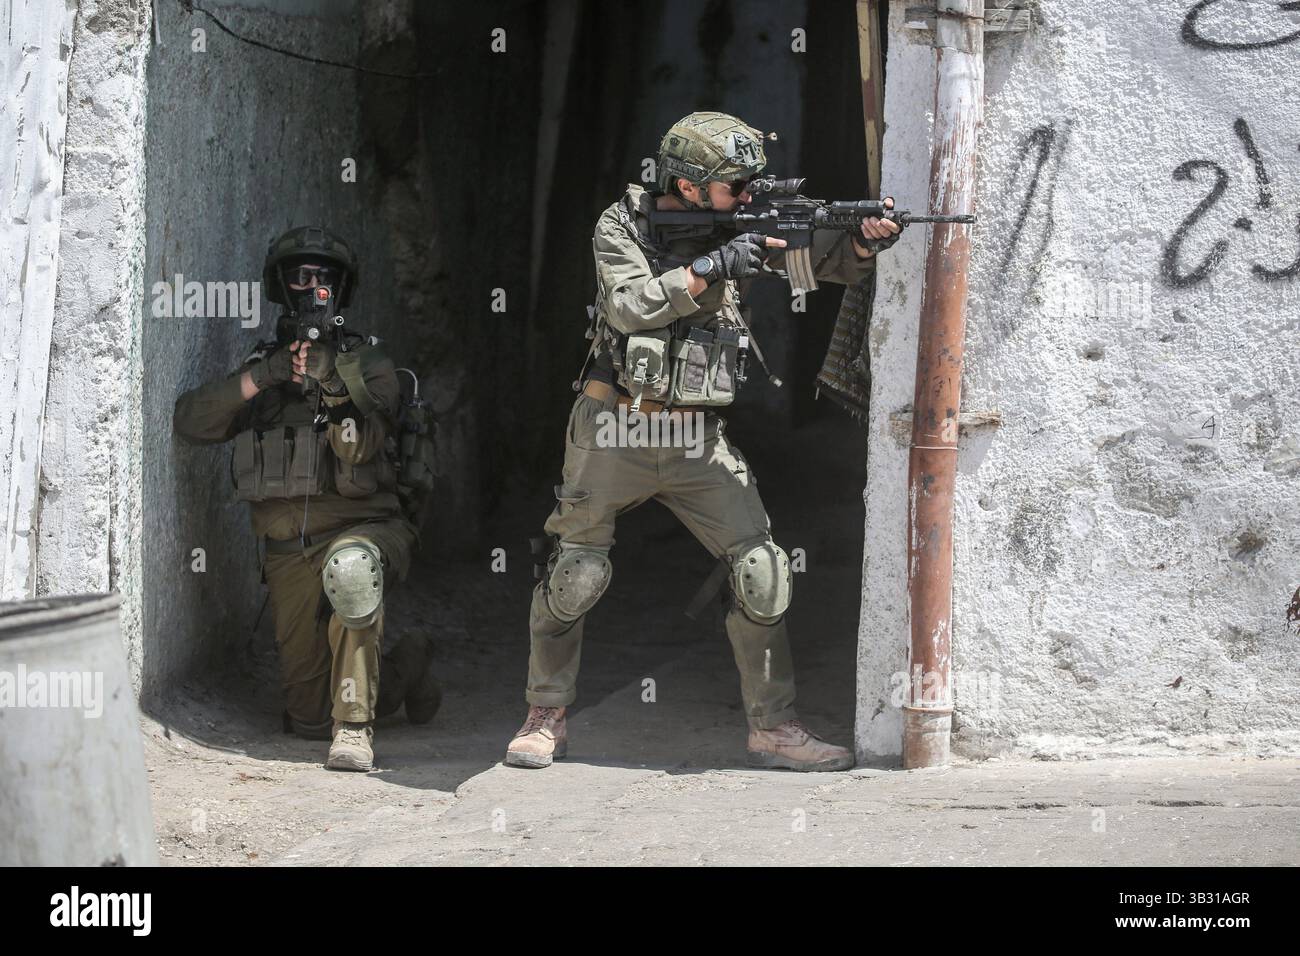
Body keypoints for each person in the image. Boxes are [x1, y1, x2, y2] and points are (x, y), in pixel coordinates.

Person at [506, 112, 901, 771]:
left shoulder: (739, 223)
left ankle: (773, 729)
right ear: (688, 188)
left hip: (696, 437)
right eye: (733, 186)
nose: (747, 196)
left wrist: (862, 242)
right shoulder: (623, 225)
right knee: (575, 571)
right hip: (616, 429)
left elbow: (823, 266)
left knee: (763, 571)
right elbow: (629, 305)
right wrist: (713, 265)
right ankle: (544, 715)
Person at [173, 226, 439, 772]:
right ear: (281, 286)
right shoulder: (264, 362)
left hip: (365, 526)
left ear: (340, 289)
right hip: (288, 548)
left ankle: (356, 730)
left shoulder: (371, 363)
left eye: (323, 277)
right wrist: (266, 376)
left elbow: (363, 446)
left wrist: (333, 386)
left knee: (353, 572)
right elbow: (192, 423)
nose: (312, 286)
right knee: (306, 721)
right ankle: (404, 667)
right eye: (301, 276)